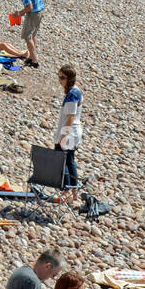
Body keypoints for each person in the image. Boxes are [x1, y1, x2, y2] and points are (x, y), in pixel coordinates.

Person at [55, 64, 83, 201]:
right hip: (74, 131)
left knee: (62, 160)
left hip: (70, 132)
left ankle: (66, 191)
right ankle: (74, 191)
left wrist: (64, 135)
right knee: (69, 160)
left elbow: (71, 115)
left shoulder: (72, 94)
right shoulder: (75, 91)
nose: (60, 80)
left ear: (70, 78)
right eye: (59, 77)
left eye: (63, 78)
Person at [10, 0, 44, 68]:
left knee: (27, 37)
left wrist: (19, 14)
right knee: (33, 35)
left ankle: (35, 61)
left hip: (33, 14)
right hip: (40, 12)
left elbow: (29, 7)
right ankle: (31, 56)